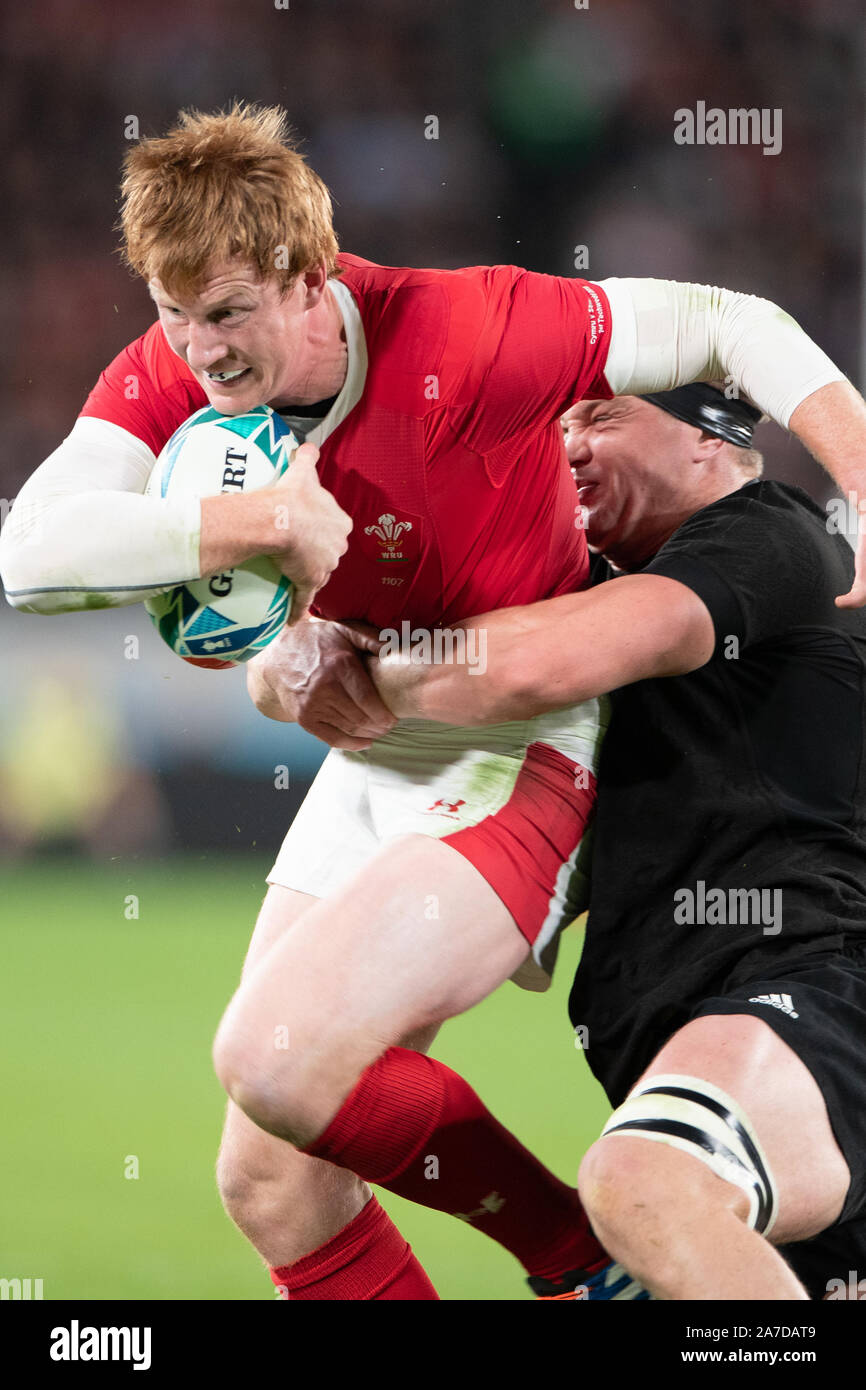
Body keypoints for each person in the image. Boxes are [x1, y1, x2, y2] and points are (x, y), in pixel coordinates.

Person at [1, 102, 864, 1302]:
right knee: (270, 1178)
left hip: (514, 752)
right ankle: (580, 1256)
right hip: (375, 755)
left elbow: (735, 324)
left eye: (228, 314)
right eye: (170, 313)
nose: (198, 353)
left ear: (311, 279)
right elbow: (28, 558)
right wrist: (264, 559)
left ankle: (574, 1258)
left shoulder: (475, 327)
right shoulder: (180, 367)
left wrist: (864, 485)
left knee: (276, 1057)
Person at [367, 384, 866, 1298]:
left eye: (602, 418)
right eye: (557, 424)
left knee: (647, 1184)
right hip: (694, 1021)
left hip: (812, 987)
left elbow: (525, 665)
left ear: (708, 443)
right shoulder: (602, 587)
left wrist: (367, 670)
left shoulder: (765, 538)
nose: (569, 447)